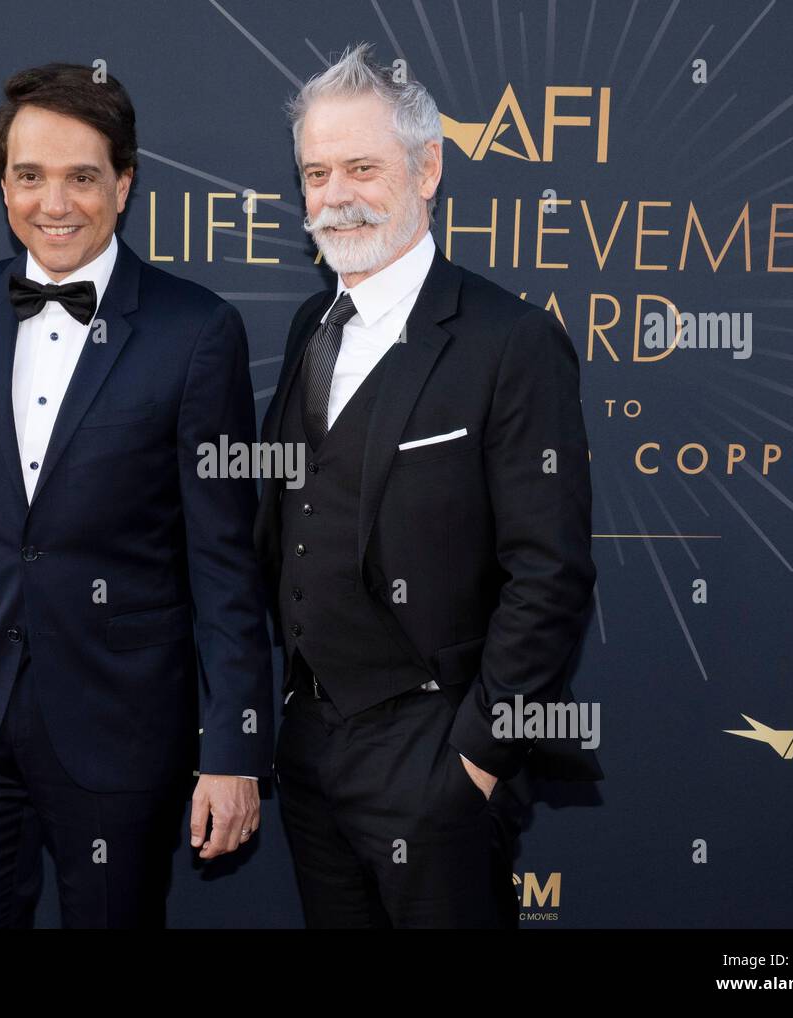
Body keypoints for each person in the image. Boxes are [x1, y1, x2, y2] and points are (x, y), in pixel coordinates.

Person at [0, 63, 273, 928]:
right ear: (2, 185)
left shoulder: (197, 332)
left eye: (82, 176)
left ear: (124, 184)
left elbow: (223, 560)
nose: (56, 203)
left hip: (121, 727)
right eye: (30, 176)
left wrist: (234, 749)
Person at [254, 42, 600, 928]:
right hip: (310, 749)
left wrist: (474, 764)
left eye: (363, 166)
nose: (338, 193)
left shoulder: (510, 343)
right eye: (316, 172)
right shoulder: (311, 326)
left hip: (433, 756)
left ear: (429, 166)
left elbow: (550, 573)